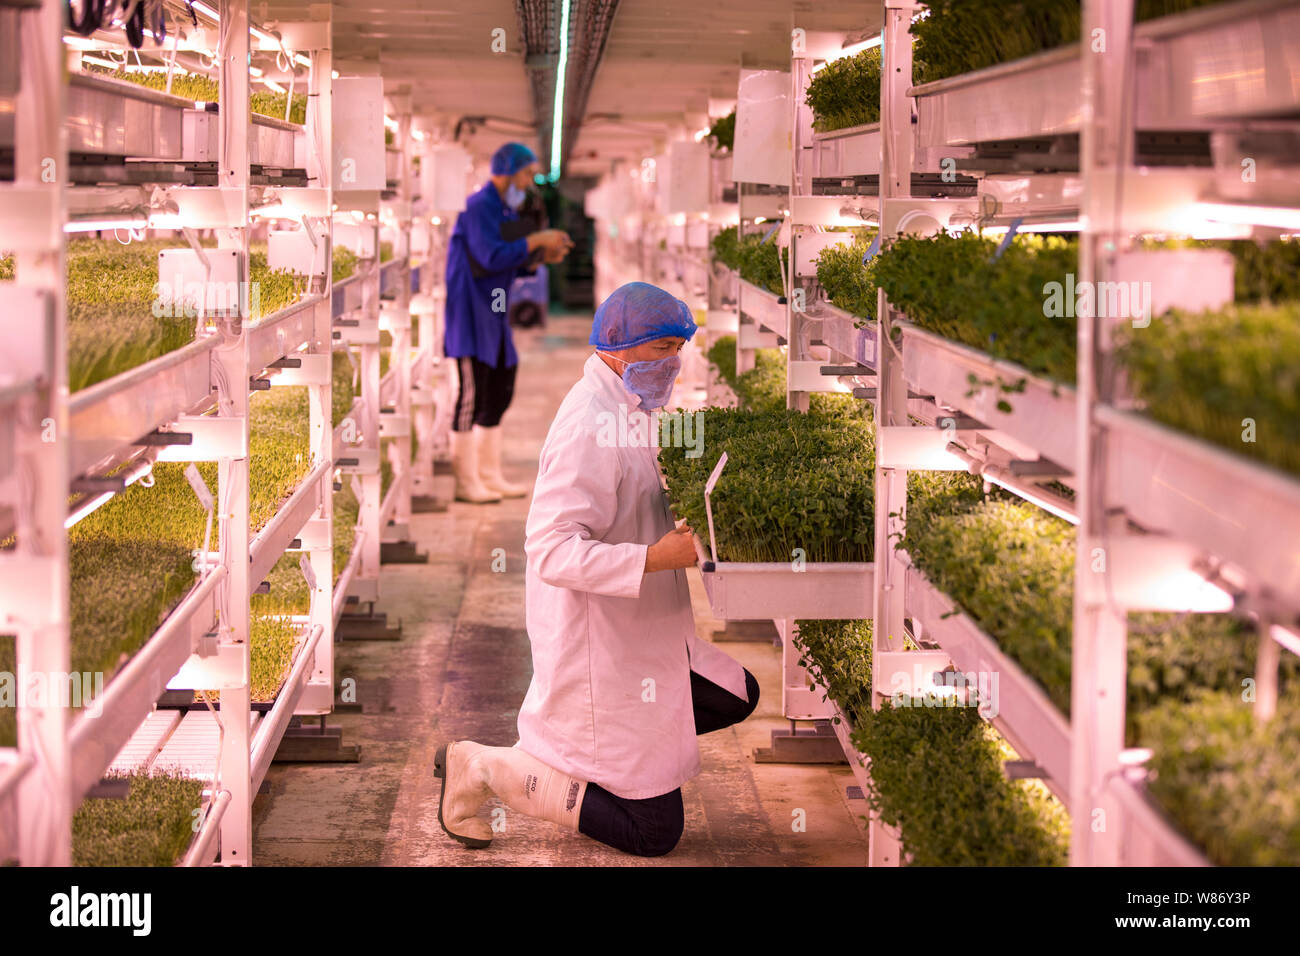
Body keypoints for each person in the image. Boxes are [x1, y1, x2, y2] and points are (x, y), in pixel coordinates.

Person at [435, 282, 760, 857]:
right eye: (662, 349)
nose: (674, 362)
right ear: (619, 349)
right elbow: (551, 548)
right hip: (600, 648)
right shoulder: (589, 422)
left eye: (677, 347)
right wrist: (654, 558)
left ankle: (593, 765)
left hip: (644, 634)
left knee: (736, 693)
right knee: (654, 834)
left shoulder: (629, 404)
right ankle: (485, 768)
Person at [443, 141, 573, 503]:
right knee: (473, 393)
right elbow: (488, 256)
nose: (530, 181)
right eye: (527, 173)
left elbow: (508, 262)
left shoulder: (501, 211)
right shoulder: (478, 207)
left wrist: (539, 256)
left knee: (500, 388)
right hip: (470, 313)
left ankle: (488, 474)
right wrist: (535, 240)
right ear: (507, 170)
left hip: (494, 312)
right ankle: (465, 482)